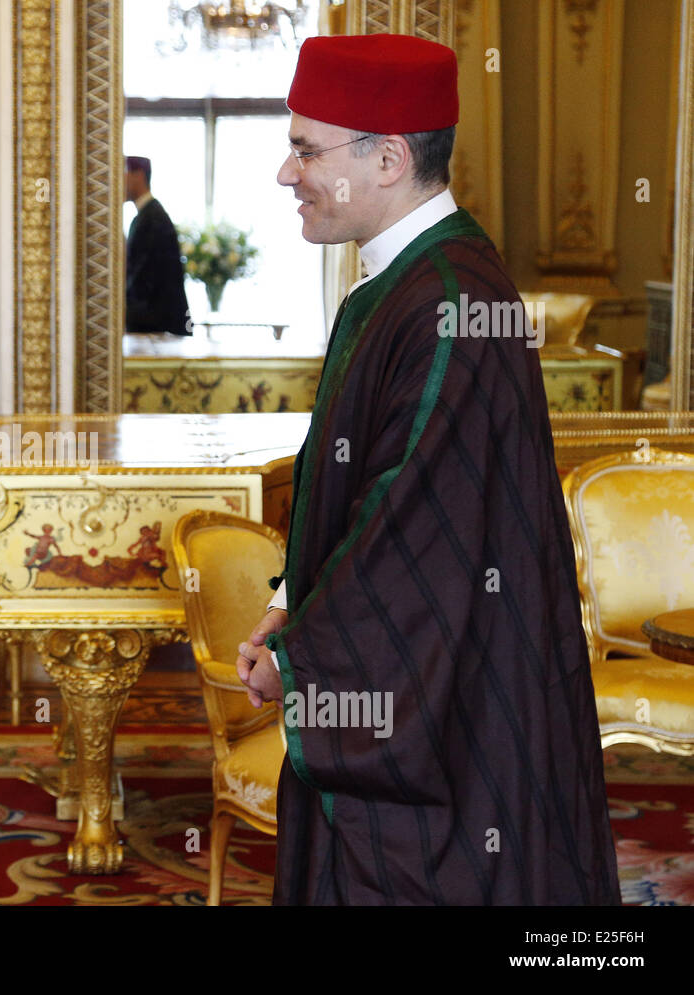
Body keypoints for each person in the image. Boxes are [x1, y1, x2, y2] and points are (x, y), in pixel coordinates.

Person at [233, 34, 618, 905]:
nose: (286, 175)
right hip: (430, 685)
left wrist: (299, 662)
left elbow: (412, 529)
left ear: (390, 158)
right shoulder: (401, 287)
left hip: (454, 721)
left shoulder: (451, 299)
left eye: (304, 149)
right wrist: (290, 605)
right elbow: (367, 489)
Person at [124, 156, 191, 335]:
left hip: (160, 330)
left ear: (138, 175)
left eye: (123, 173)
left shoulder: (152, 218)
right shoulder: (146, 216)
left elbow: (143, 282)